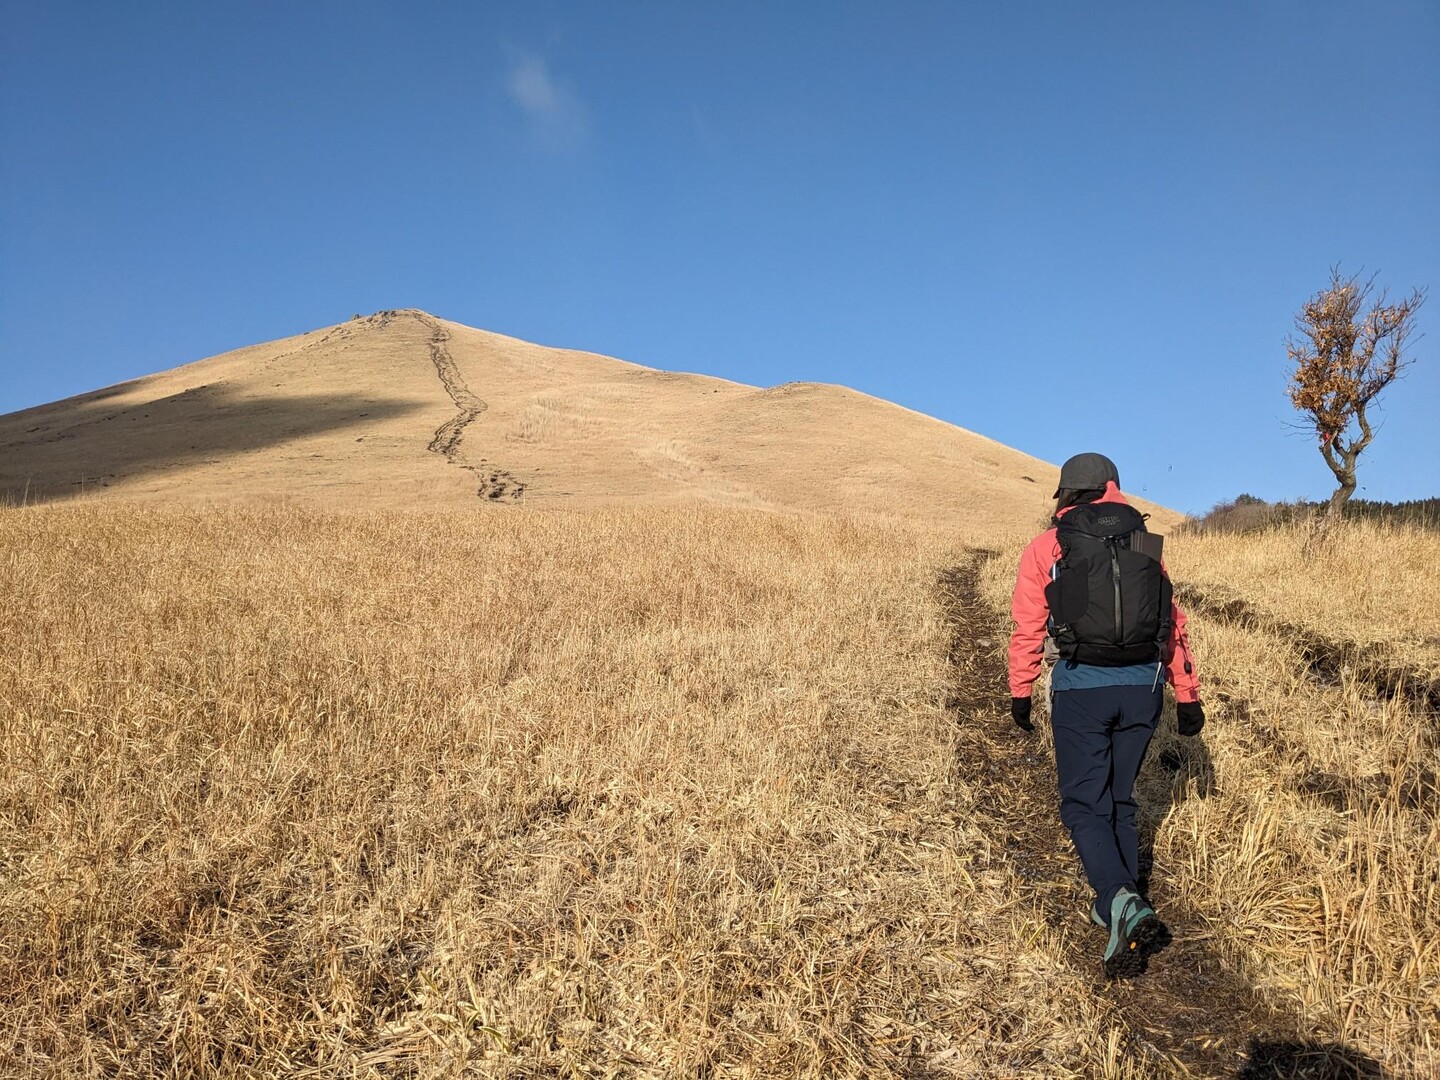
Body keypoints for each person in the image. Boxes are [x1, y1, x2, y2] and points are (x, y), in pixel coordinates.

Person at [1007, 452, 1205, 978]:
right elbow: (1172, 621)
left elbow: (1029, 625)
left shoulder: (1049, 545)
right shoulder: (1144, 540)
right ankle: (1121, 903)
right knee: (1119, 798)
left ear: (1067, 493)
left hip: (1081, 689)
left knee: (1080, 804)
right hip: (1144, 689)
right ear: (1113, 486)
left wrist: (1020, 690)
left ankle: (1119, 899)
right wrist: (1187, 693)